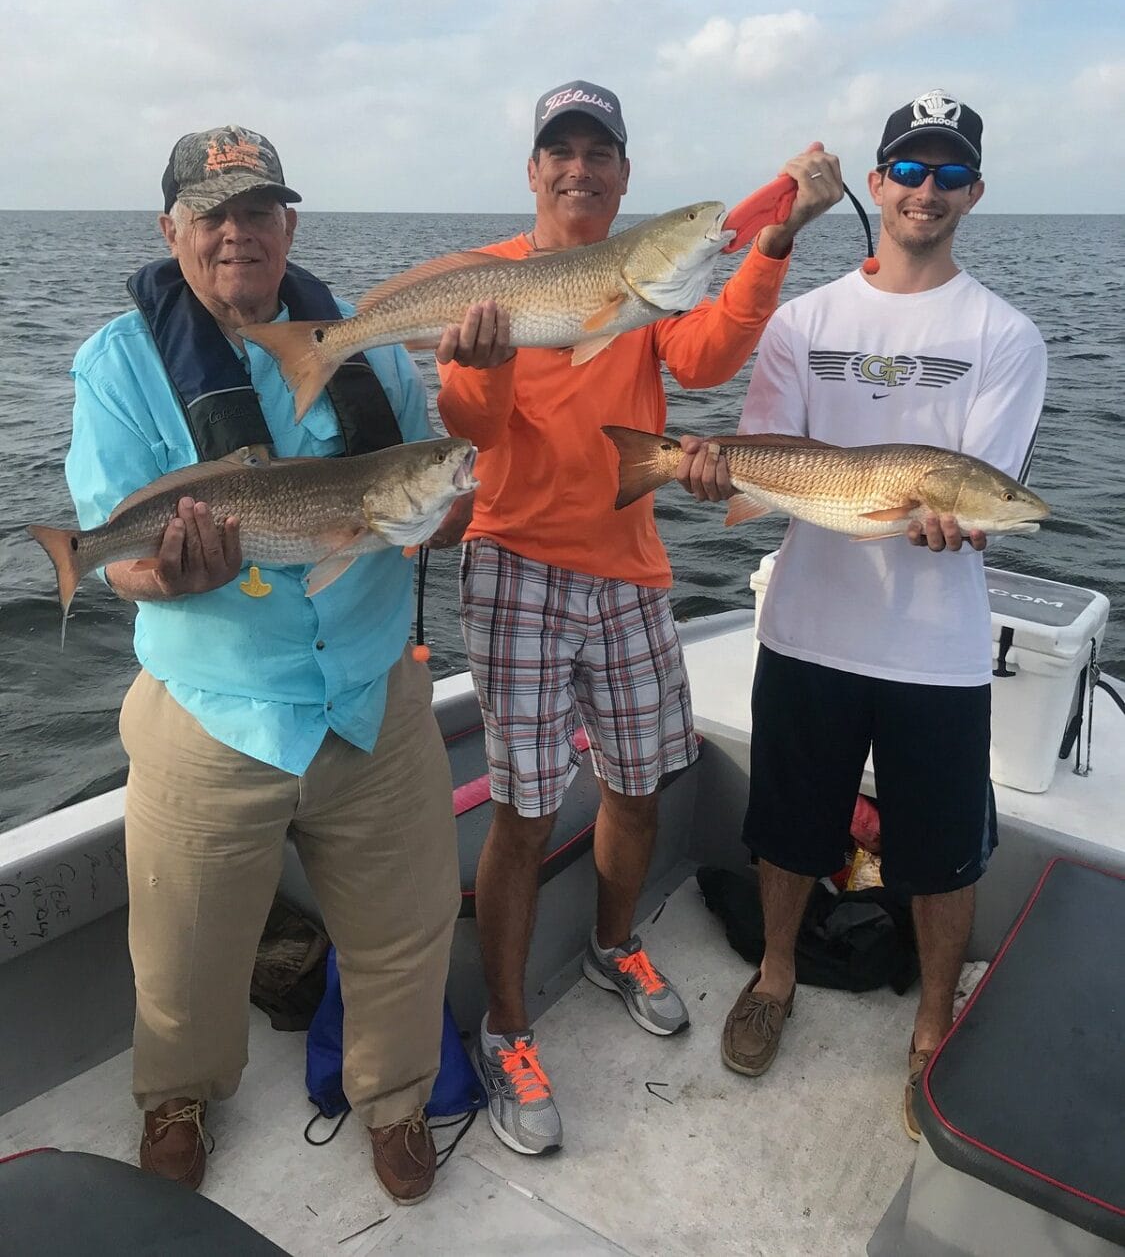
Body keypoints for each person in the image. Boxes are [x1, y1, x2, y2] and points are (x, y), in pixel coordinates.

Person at [435, 80, 842, 1155]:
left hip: (630, 568)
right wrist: (475, 368)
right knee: (522, 812)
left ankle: (615, 945)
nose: (579, 169)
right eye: (558, 152)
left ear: (624, 175)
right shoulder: (498, 284)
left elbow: (706, 355)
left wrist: (771, 243)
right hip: (514, 561)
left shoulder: (643, 288)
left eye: (598, 154)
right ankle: (510, 1024)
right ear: (533, 172)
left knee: (639, 781)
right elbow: (469, 426)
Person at [64, 126, 460, 1203]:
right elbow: (117, 558)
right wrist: (164, 573)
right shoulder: (115, 364)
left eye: (259, 211)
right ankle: (180, 1097)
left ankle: (397, 1097)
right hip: (214, 709)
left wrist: (452, 506)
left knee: (406, 928)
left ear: (291, 224)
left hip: (373, 690)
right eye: (212, 212)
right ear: (172, 229)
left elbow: (428, 503)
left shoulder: (371, 346)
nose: (237, 232)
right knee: (185, 952)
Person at [678, 90, 1048, 1138]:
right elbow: (765, 459)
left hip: (935, 652)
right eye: (910, 169)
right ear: (878, 183)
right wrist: (715, 475)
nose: (927, 189)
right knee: (791, 832)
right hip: (806, 627)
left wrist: (962, 519)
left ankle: (932, 1026)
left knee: (942, 852)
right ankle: (777, 977)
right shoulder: (804, 319)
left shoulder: (1005, 335)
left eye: (949, 173)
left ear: (972, 193)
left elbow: (987, 492)